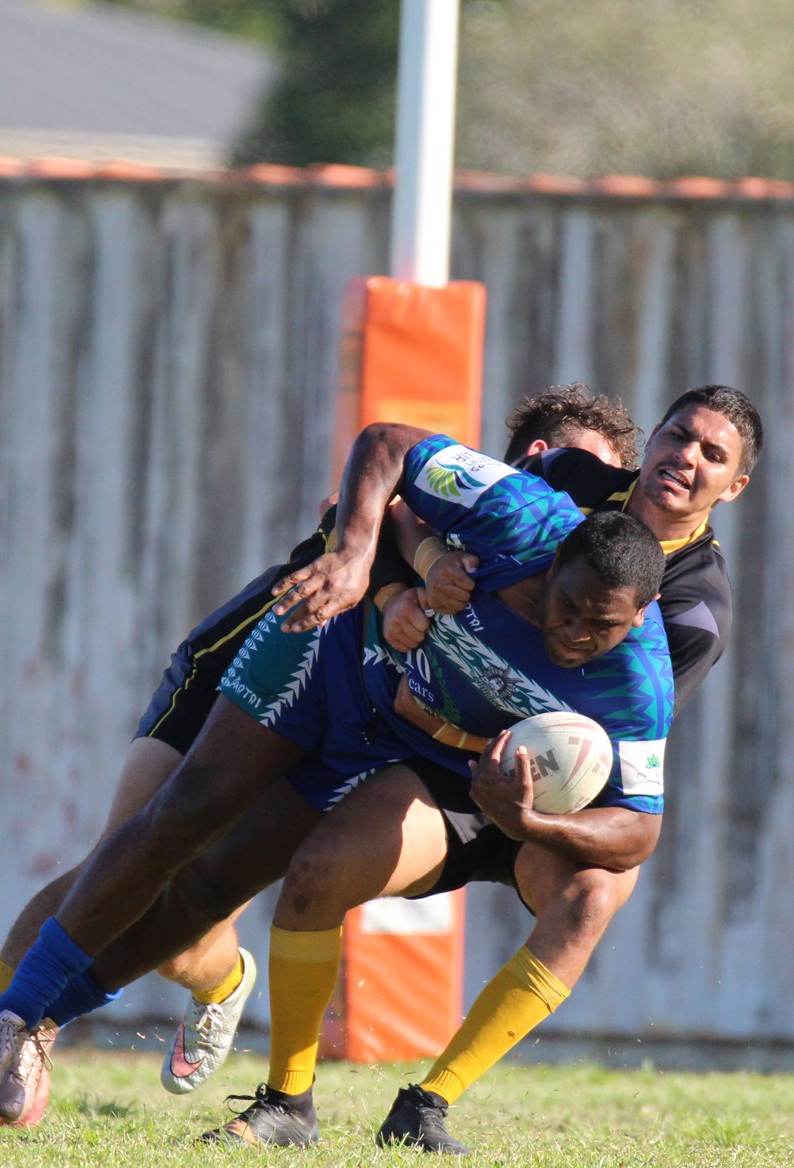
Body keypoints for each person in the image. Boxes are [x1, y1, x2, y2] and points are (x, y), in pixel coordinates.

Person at [0, 385, 642, 1127]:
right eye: (590, 476)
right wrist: (386, 576)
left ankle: (87, 1015)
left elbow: (628, 790)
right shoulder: (510, 505)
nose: (599, 500)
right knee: (153, 835)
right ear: (541, 460)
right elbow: (371, 482)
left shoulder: (640, 613)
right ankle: (0, 1030)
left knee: (203, 893)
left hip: (394, 739)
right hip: (304, 656)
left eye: (612, 489)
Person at [206, 384, 760, 1152]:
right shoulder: (561, 483)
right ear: (654, 436)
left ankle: (427, 1105)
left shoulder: (688, 622)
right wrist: (404, 579)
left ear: (734, 487)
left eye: (712, 454)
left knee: (595, 893)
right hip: (447, 763)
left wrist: (534, 816)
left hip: (557, 797)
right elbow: (394, 489)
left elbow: (634, 807)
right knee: (310, 875)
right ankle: (286, 1103)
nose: (686, 458)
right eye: (678, 435)